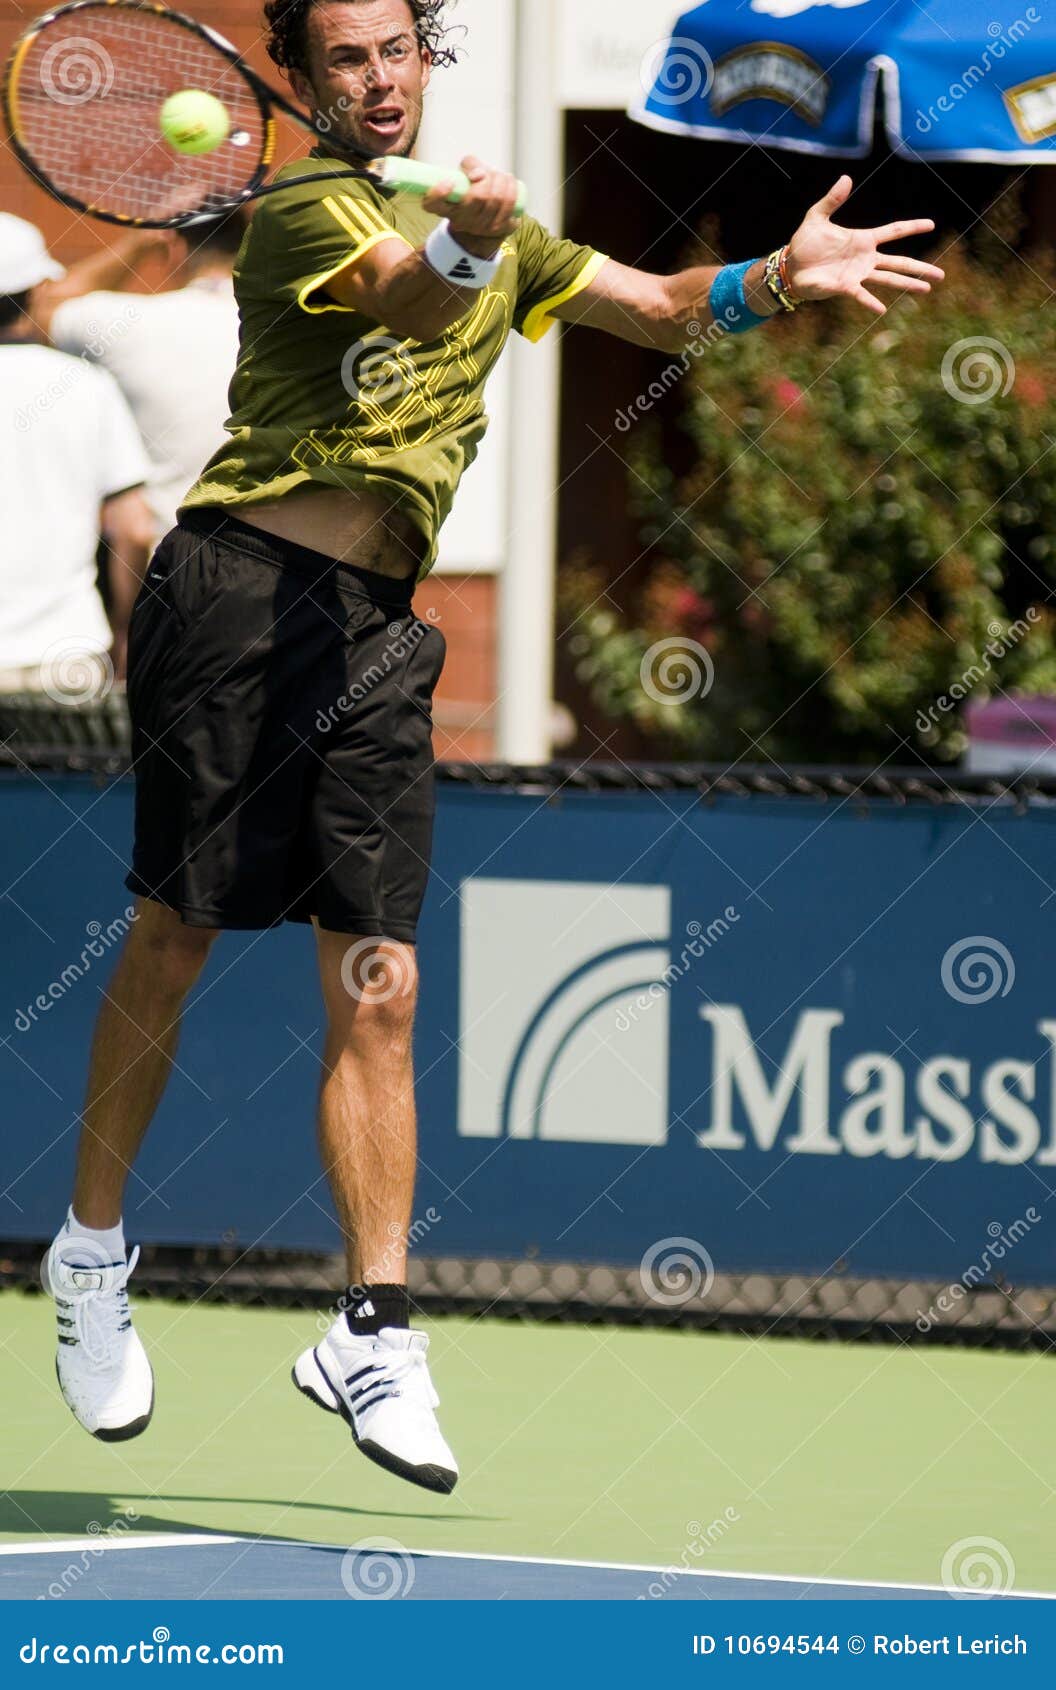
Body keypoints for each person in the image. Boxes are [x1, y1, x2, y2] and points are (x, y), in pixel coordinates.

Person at [41, 0, 944, 1491]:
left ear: (425, 60)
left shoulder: (487, 225)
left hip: (379, 629)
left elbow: (654, 308)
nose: (378, 79)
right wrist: (472, 238)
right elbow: (409, 299)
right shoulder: (306, 211)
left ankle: (372, 1326)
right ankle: (88, 1255)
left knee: (382, 983)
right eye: (345, 57)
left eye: (397, 51)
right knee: (173, 936)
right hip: (237, 598)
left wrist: (781, 276)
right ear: (307, 78)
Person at [0, 214, 153, 694]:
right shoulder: (88, 387)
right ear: (38, 291)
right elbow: (133, 529)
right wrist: (128, 633)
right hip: (65, 659)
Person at [38, 214, 244, 541]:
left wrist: (137, 243)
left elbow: (37, 310)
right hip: (267, 566)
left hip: (163, 560)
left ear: (174, 248)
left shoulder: (126, 324)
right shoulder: (286, 329)